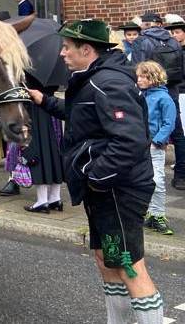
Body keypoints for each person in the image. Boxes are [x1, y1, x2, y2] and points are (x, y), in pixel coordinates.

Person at [27, 19, 165, 323]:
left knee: (130, 266)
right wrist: (44, 100)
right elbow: (81, 117)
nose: (62, 53)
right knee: (107, 260)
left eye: (67, 47)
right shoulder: (93, 77)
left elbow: (130, 141)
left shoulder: (107, 82)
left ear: (86, 49)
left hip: (119, 189)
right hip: (107, 189)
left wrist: (96, 177)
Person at [133, 12, 185, 192]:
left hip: (149, 92)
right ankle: (181, 176)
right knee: (177, 132)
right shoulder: (172, 41)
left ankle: (146, 172)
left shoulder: (142, 41)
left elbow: (138, 69)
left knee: (147, 126)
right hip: (171, 90)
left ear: (145, 26)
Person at [135, 61, 176, 236]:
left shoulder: (164, 98)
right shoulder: (140, 95)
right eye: (138, 76)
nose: (139, 80)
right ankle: (149, 213)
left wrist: (156, 141)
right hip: (138, 144)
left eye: (143, 77)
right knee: (140, 180)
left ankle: (158, 215)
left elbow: (169, 123)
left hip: (154, 146)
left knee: (157, 181)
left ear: (153, 77)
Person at [18, 74, 65, 213]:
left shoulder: (30, 66)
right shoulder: (52, 63)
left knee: (37, 151)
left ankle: (42, 200)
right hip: (52, 107)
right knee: (54, 153)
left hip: (35, 108)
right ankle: (55, 198)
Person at [164, 17, 185, 191]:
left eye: (178, 31)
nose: (174, 35)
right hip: (175, 92)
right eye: (173, 32)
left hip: (177, 92)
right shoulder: (172, 47)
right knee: (178, 133)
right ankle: (181, 173)